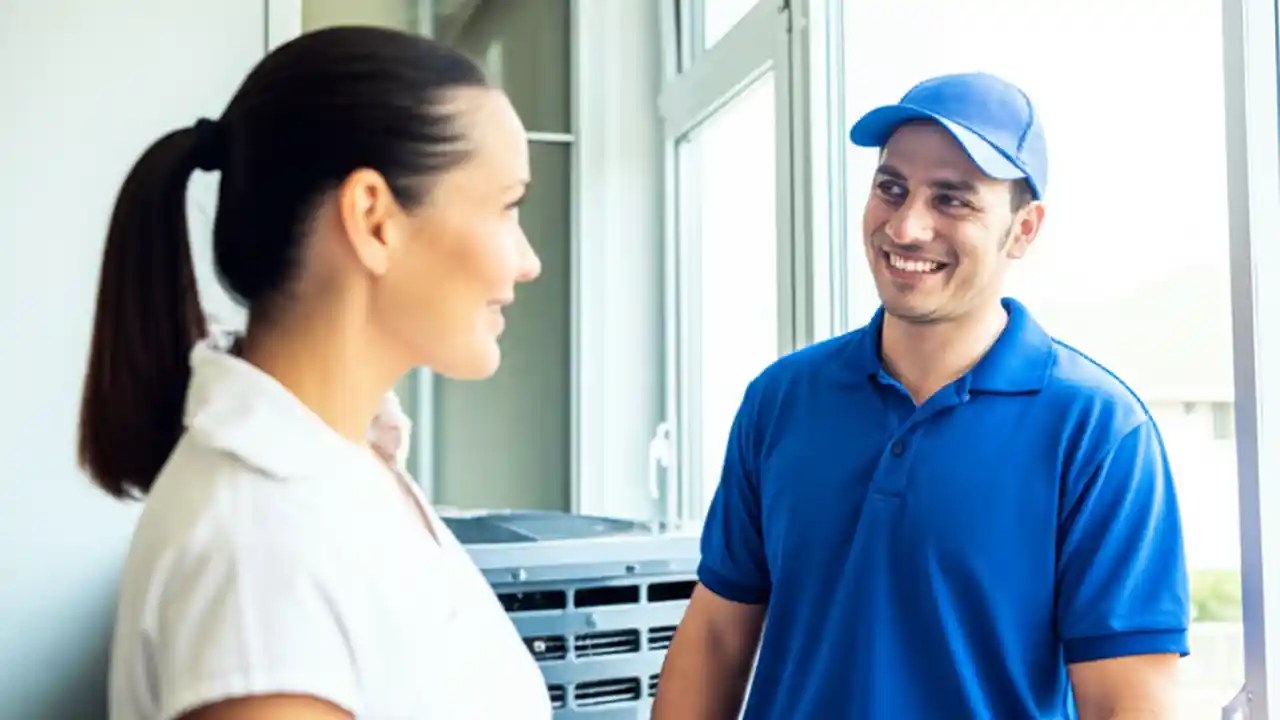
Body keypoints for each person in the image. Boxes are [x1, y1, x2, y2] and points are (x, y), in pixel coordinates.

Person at [653, 72, 1189, 719]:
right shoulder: (782, 400)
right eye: (891, 188)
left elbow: (1128, 702)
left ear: (1023, 230)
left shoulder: (1096, 431)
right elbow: (715, 633)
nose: (906, 228)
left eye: (952, 200)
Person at [78, 27, 550, 720]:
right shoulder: (263, 553)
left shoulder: (346, 467)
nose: (528, 260)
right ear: (374, 219)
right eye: (508, 207)